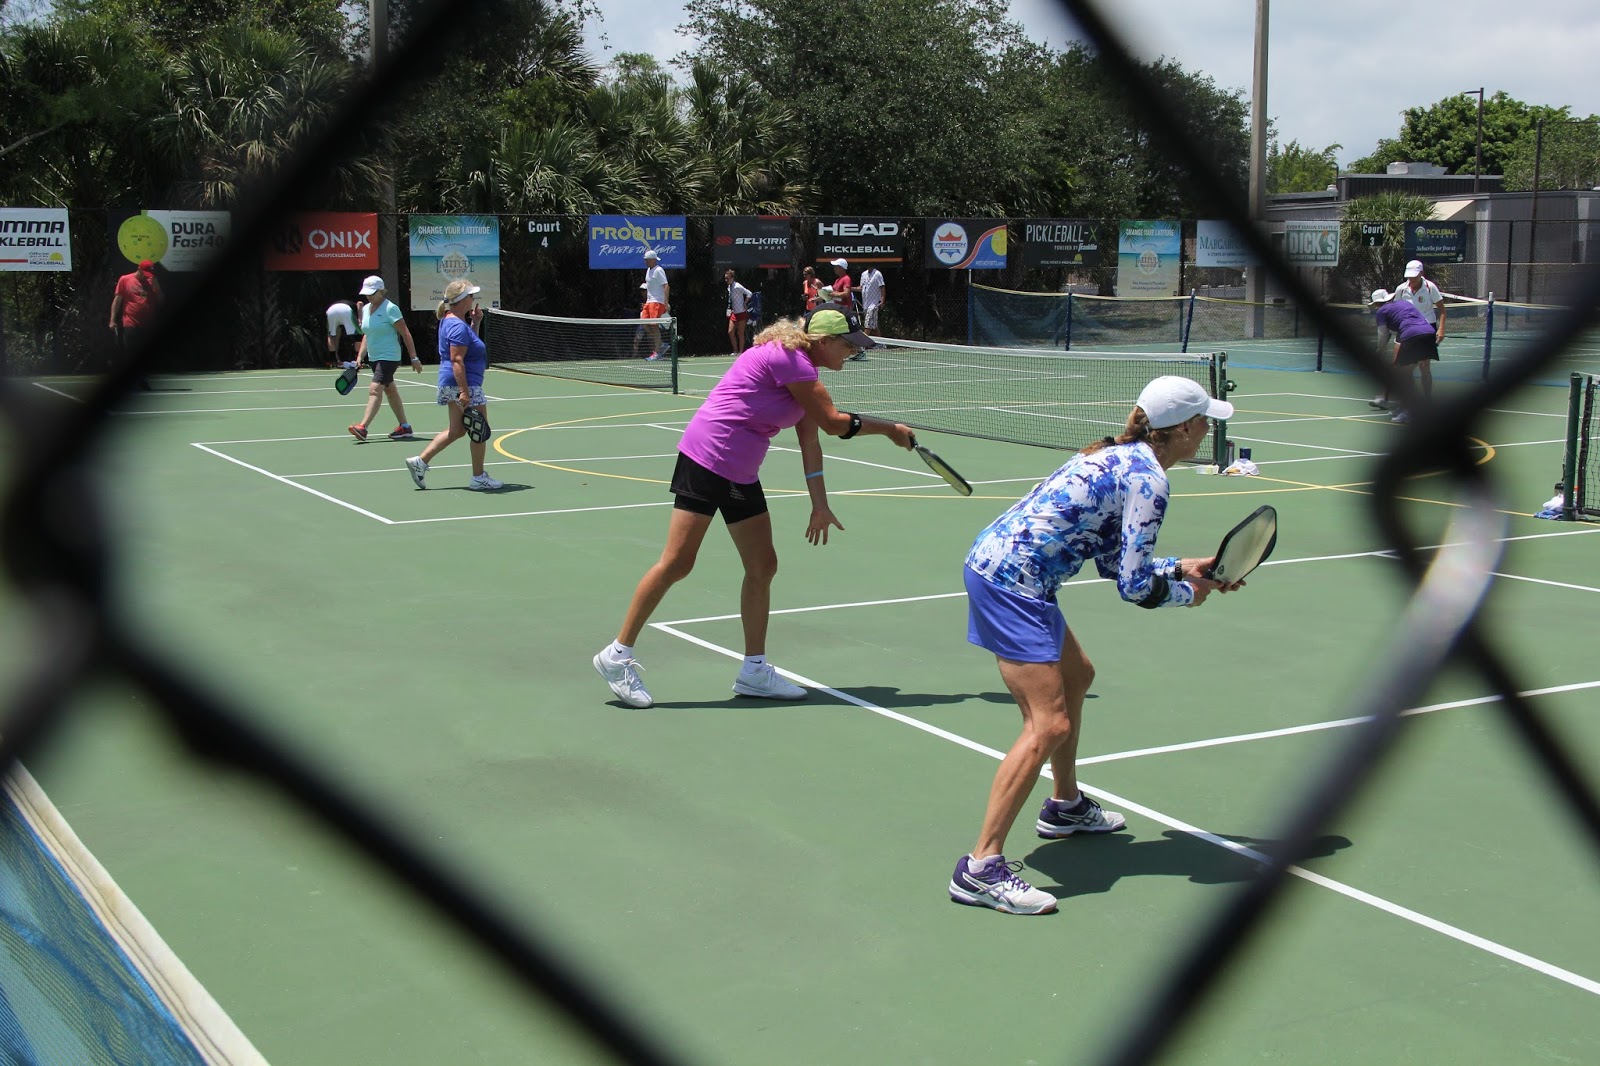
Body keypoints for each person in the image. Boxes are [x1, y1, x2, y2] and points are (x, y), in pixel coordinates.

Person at [949, 376, 1240, 915]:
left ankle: (1065, 806)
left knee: (1077, 676)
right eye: (1204, 421)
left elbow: (1114, 562)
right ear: (1181, 430)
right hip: (1012, 583)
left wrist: (1183, 567)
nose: (1208, 429)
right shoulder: (1149, 480)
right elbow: (1134, 587)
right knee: (1048, 725)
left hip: (1003, 568)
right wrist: (1187, 596)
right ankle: (980, 869)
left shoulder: (1118, 456)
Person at [593, 303, 913, 709]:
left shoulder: (805, 373)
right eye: (848, 345)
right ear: (824, 340)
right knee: (677, 563)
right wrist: (890, 430)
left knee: (763, 566)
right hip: (708, 458)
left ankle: (754, 671)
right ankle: (616, 655)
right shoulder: (789, 359)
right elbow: (834, 423)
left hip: (740, 470)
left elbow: (811, 441)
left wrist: (819, 505)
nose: (853, 352)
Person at [403, 279, 503, 491]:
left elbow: (469, 347)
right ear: (463, 299)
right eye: (471, 295)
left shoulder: (452, 321)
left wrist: (475, 323)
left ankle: (420, 462)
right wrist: (465, 392)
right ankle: (478, 478)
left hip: (453, 382)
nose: (473, 298)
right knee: (480, 430)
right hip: (465, 383)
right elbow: (457, 360)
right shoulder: (456, 325)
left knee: (457, 430)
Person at [346, 275, 422, 442]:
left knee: (375, 389)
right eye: (366, 293)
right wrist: (360, 356)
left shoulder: (390, 309)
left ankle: (363, 427)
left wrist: (414, 357)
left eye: (372, 293)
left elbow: (405, 333)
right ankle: (405, 427)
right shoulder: (366, 309)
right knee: (390, 390)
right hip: (374, 357)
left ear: (381, 291)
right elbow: (367, 334)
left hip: (389, 357)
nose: (368, 296)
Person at [1370, 260, 1447, 412]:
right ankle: (1385, 398)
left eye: (1414, 275)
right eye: (1409, 276)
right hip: (1405, 329)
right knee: (1397, 364)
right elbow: (1395, 310)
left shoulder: (1430, 287)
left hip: (1426, 327)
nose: (1411, 279)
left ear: (1421, 273)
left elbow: (1442, 310)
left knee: (1424, 367)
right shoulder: (1401, 289)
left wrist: (1441, 329)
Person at [1367, 288, 1438, 425]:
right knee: (1413, 372)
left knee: (1402, 375)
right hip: (1429, 333)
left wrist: (1379, 351)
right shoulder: (1404, 304)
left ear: (1377, 304)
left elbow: (1382, 335)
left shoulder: (1381, 311)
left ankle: (1409, 411)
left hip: (1411, 336)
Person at [109, 259, 163, 387]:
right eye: (145, 273)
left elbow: (162, 301)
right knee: (131, 353)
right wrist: (112, 319)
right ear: (139, 269)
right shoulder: (125, 279)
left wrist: (157, 287)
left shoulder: (152, 282)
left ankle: (141, 379)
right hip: (131, 323)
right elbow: (117, 300)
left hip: (148, 324)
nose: (147, 276)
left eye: (149, 274)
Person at [641, 249, 671, 361]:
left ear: (653, 260)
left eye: (646, 259)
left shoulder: (659, 270)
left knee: (654, 326)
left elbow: (666, 286)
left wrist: (666, 303)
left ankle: (657, 353)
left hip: (657, 302)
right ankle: (661, 344)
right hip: (649, 302)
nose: (645, 261)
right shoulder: (648, 270)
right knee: (643, 323)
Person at [855, 264, 885, 362]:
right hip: (866, 305)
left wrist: (882, 300)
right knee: (873, 325)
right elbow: (861, 288)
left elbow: (882, 287)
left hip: (874, 304)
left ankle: (861, 346)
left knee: (867, 325)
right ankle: (881, 343)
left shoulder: (877, 274)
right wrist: (849, 288)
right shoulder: (863, 274)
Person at [725, 269, 755, 357]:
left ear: (732, 278)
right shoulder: (729, 287)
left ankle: (741, 352)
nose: (726, 280)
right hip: (734, 313)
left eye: (727, 278)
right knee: (730, 332)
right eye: (725, 278)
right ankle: (735, 350)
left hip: (741, 312)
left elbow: (749, 293)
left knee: (740, 333)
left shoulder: (737, 286)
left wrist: (745, 303)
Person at [326, 300, 361, 369]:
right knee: (358, 333)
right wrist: (360, 319)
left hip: (331, 310)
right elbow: (360, 303)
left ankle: (334, 360)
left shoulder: (344, 303)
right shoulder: (359, 307)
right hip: (346, 310)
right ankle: (358, 361)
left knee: (331, 335)